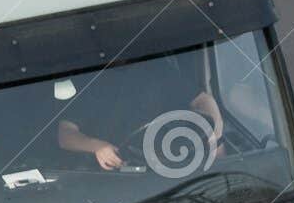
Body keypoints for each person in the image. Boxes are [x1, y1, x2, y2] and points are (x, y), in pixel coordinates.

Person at [56, 53, 224, 172]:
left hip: (169, 165)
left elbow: (203, 100)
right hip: (111, 178)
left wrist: (213, 135)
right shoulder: (89, 80)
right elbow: (65, 134)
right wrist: (98, 147)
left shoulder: (155, 70)